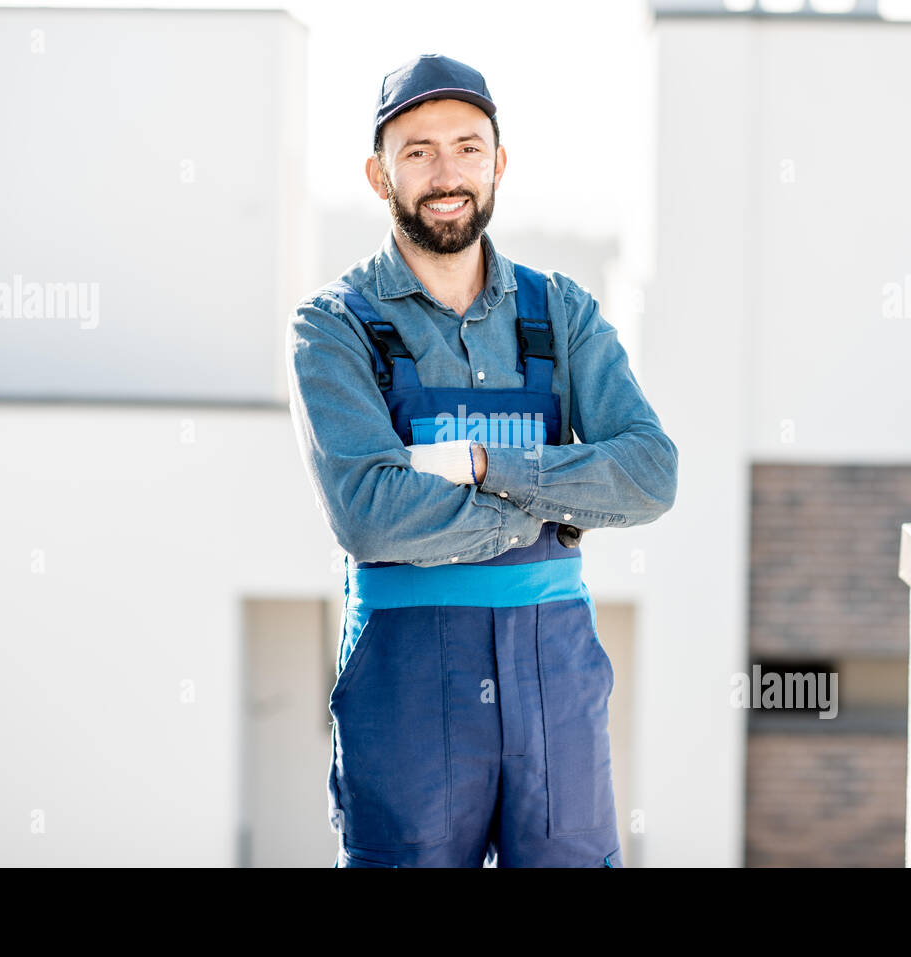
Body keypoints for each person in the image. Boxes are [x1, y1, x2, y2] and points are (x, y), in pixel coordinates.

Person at [285, 53, 678, 867]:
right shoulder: (333, 328)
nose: (446, 172)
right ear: (378, 173)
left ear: (498, 162)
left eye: (467, 146)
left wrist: (481, 465)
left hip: (555, 665)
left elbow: (647, 473)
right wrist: (557, 498)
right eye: (418, 150)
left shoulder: (560, 311)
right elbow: (370, 512)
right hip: (406, 672)